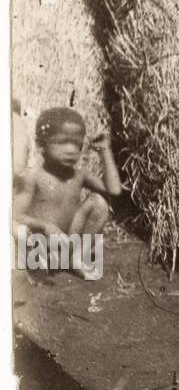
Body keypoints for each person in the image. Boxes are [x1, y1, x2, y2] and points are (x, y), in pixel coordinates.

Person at [12, 107, 119, 277]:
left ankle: (75, 258)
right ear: (42, 144)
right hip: (39, 246)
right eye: (62, 142)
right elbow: (13, 216)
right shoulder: (34, 175)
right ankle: (39, 265)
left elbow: (114, 191)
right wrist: (44, 225)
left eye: (76, 144)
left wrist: (104, 150)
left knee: (100, 202)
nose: (71, 150)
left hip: (67, 245)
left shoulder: (79, 174)